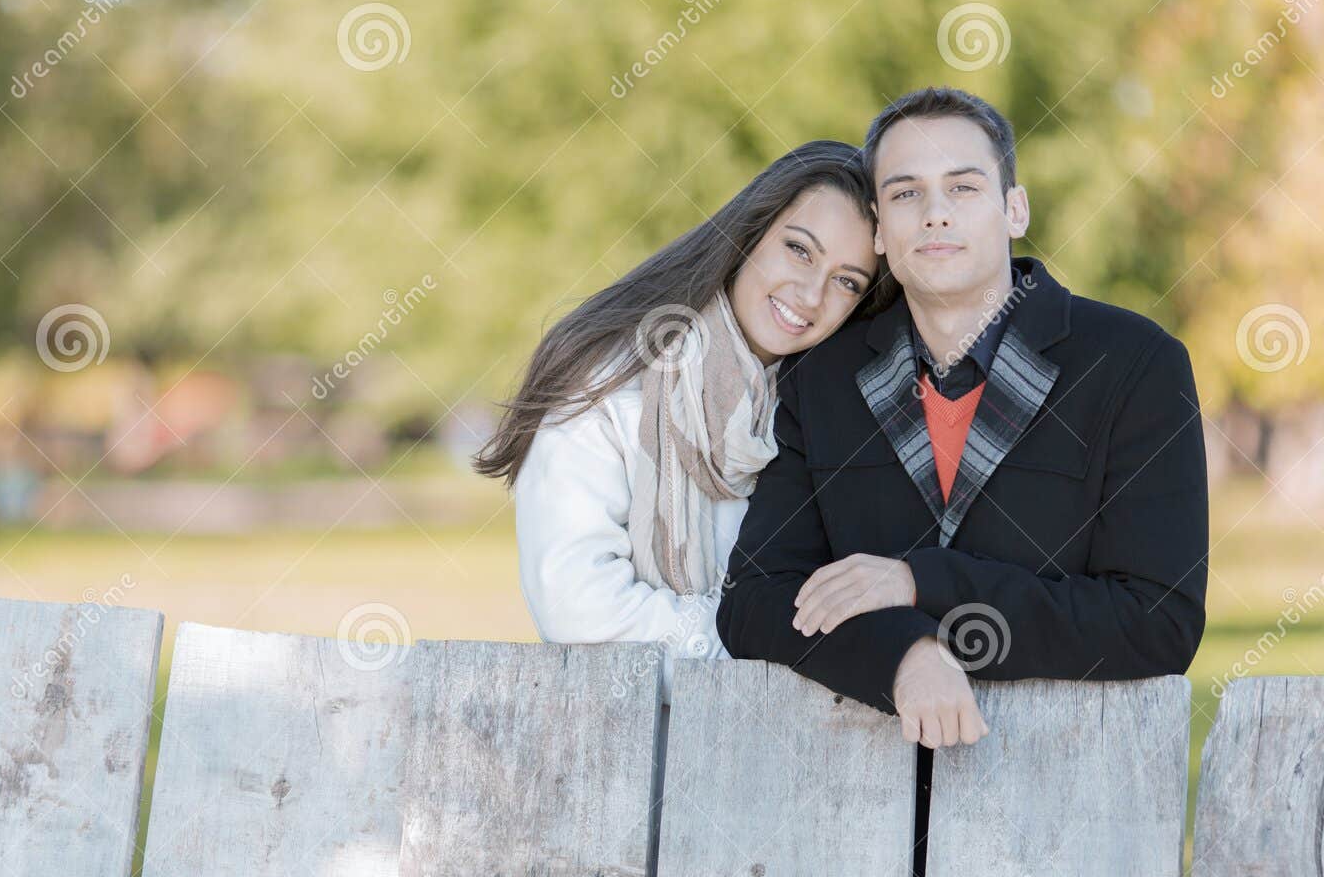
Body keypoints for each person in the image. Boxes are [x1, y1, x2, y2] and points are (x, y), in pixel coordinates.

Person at [718, 87, 1209, 749]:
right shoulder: (821, 378)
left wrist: (921, 583)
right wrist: (904, 651)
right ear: (879, 232)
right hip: (854, 781)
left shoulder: (1134, 364)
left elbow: (1157, 621)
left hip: (1064, 774)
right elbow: (754, 602)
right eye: (906, 194)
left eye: (964, 187)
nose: (936, 214)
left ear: (1014, 209)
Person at [474, 140, 895, 700]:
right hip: (626, 725)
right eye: (799, 249)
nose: (812, 294)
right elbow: (577, 605)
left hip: (785, 730)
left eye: (848, 281)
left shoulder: (831, 415)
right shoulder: (608, 382)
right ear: (749, 233)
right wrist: (757, 644)